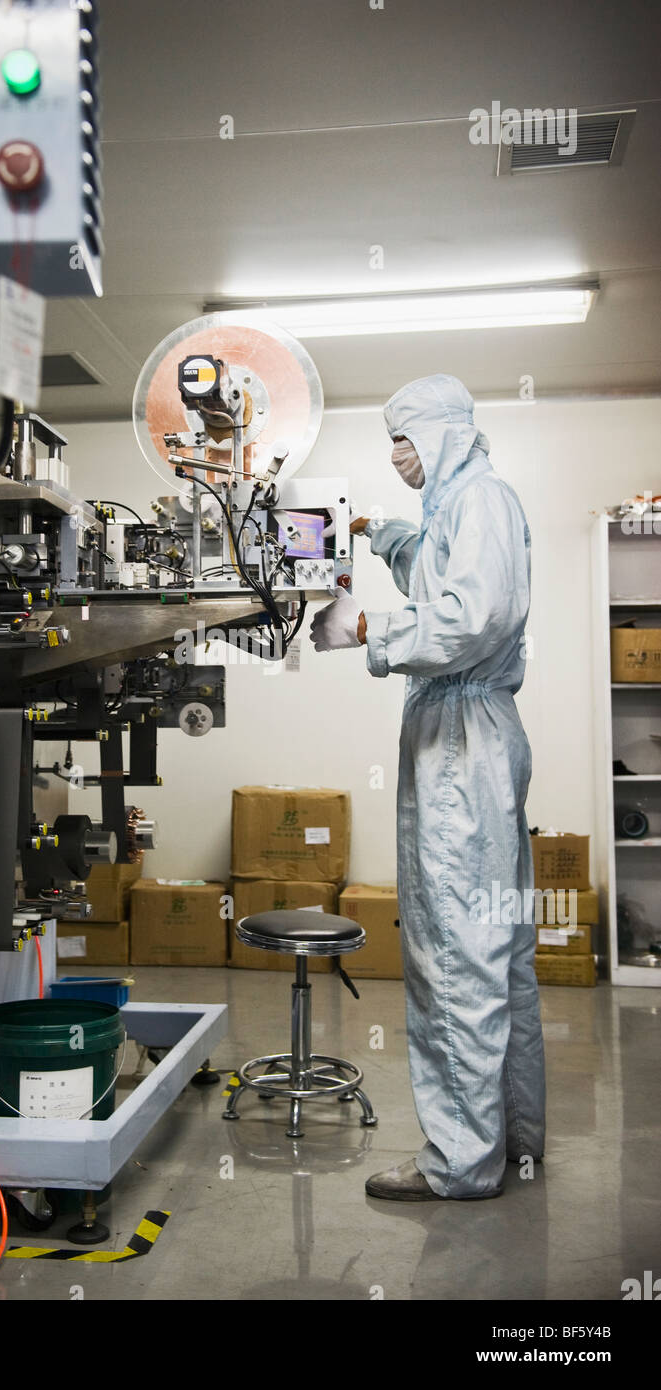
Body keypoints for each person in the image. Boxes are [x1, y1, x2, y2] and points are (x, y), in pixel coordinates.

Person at [310, 373, 545, 1201]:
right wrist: (382, 536)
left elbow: (470, 615)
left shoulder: (479, 501)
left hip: (460, 744)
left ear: (443, 434)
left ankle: (459, 1162)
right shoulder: (466, 506)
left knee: (455, 955)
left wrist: (368, 627)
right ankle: (511, 1138)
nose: (394, 455)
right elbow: (443, 573)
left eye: (403, 440)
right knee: (497, 947)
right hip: (471, 735)